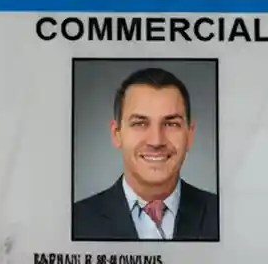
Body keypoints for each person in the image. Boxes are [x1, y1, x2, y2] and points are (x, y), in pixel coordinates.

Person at [72, 67, 220, 241]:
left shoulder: (223, 214)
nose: (156, 141)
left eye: (171, 124)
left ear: (190, 135)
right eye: (140, 124)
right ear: (116, 134)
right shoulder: (76, 221)